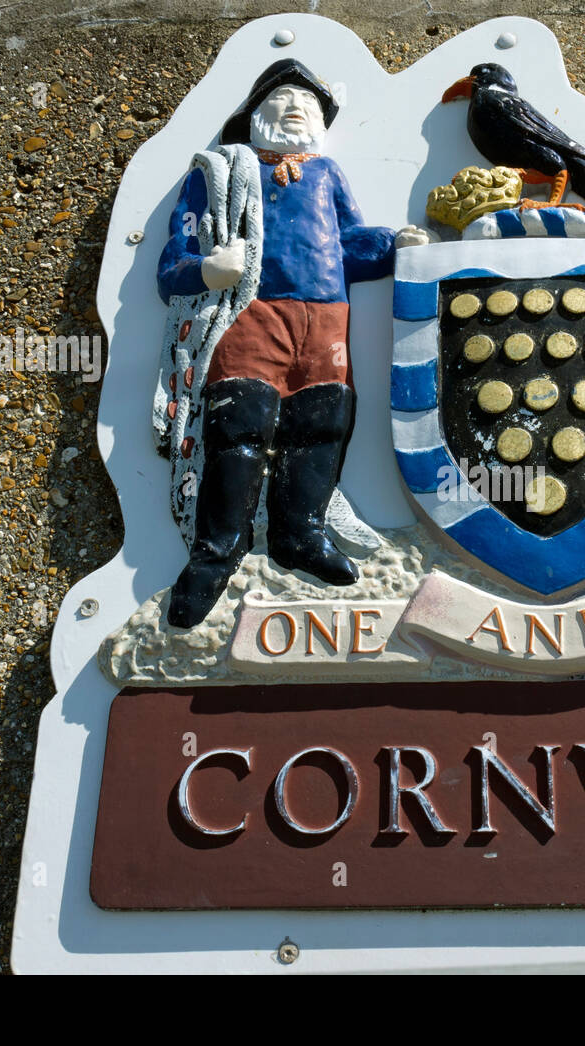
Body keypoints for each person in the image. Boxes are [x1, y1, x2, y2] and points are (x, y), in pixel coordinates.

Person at [157, 59, 429, 628]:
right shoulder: (219, 172)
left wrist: (395, 242)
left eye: (307, 101)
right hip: (252, 310)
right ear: (254, 115)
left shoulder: (326, 173)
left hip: (326, 315)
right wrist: (208, 268)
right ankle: (216, 552)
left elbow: (350, 245)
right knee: (239, 428)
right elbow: (172, 266)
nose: (296, 107)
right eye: (281, 98)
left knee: (323, 422)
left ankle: (298, 532)